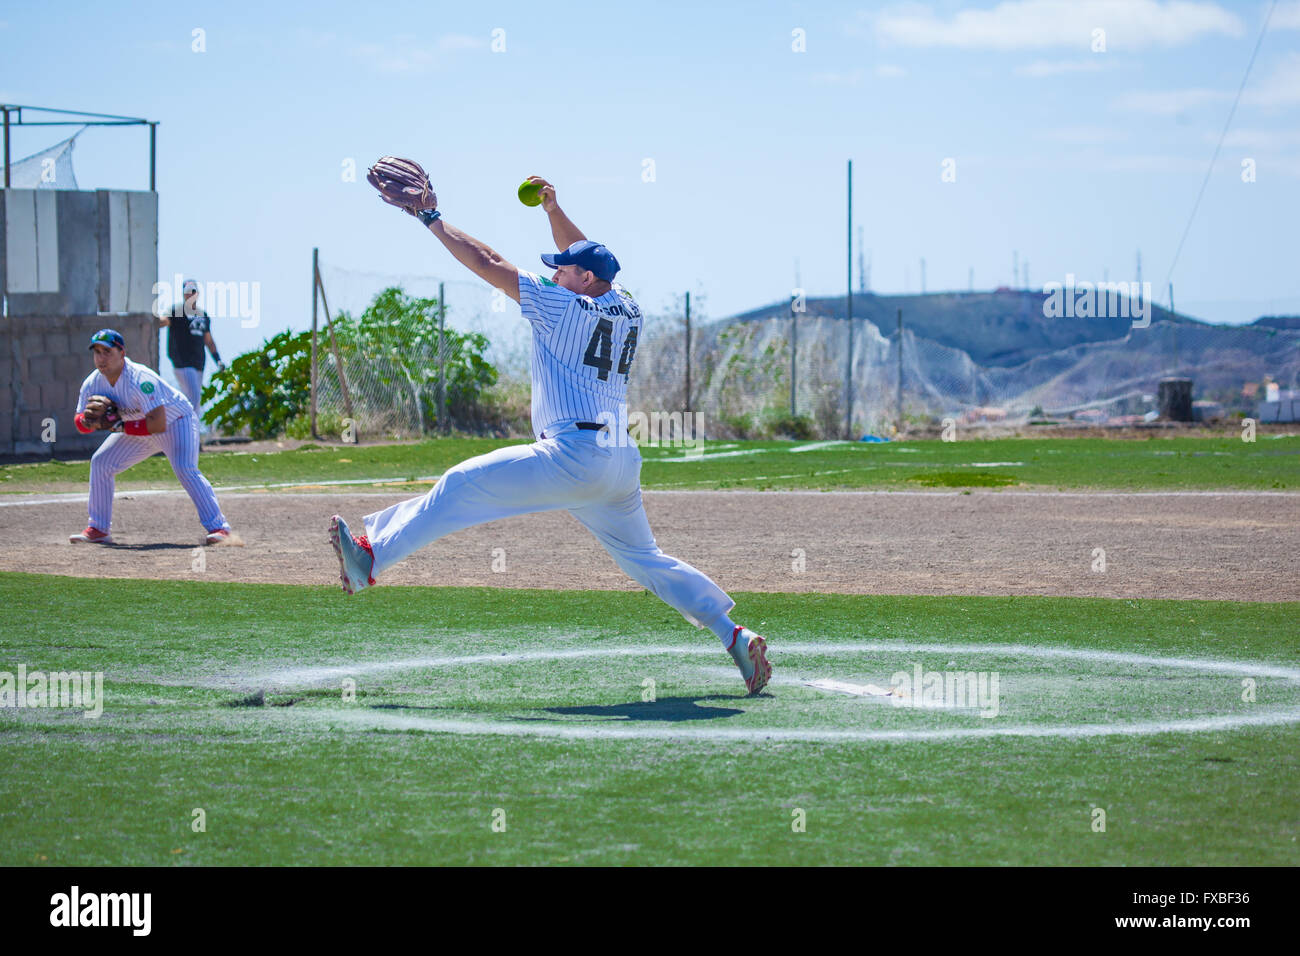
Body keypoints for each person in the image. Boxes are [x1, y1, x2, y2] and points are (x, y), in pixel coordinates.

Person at [329, 174, 771, 694]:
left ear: (581, 278)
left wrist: (431, 218)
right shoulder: (626, 306)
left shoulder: (562, 305)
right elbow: (587, 257)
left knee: (460, 485)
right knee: (645, 561)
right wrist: (552, 210)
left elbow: (488, 263)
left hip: (573, 456)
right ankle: (733, 634)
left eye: (561, 270)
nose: (554, 274)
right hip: (619, 461)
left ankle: (371, 558)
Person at [69, 328, 236, 547]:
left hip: (176, 422)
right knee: (101, 463)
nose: (101, 358)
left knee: (185, 469)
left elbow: (157, 423)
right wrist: (88, 422)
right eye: (97, 352)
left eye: (107, 351)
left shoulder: (140, 379)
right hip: (136, 427)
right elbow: (80, 421)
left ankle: (220, 528)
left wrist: (119, 425)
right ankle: (99, 529)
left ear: (122, 353)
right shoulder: (93, 383)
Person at [158, 278, 224, 420]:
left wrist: (218, 360)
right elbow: (164, 321)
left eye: (193, 291)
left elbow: (209, 341)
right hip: (182, 363)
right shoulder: (175, 311)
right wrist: (151, 319)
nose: (190, 295)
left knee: (190, 399)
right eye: (187, 292)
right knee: (193, 400)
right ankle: (193, 437)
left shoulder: (203, 315)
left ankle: (178, 427)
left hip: (199, 363)